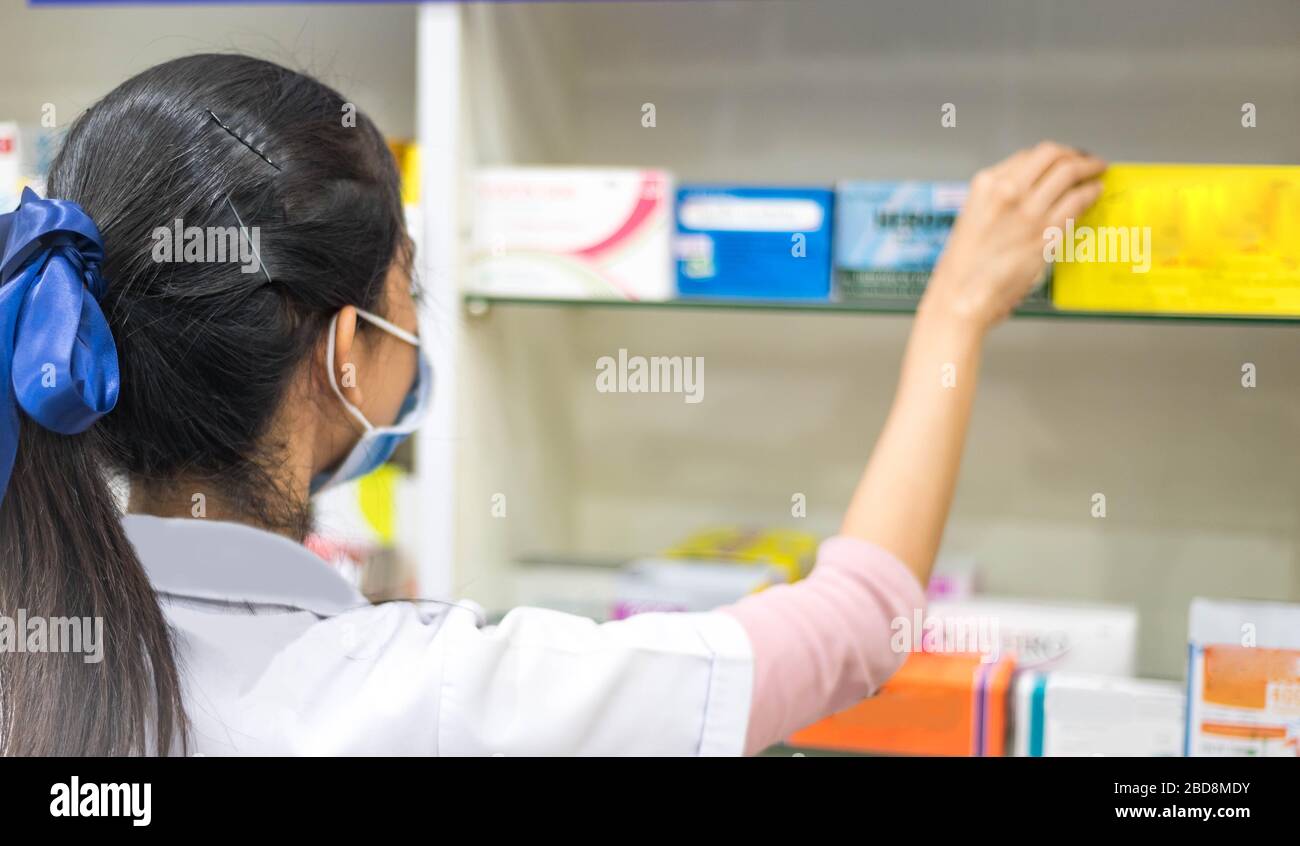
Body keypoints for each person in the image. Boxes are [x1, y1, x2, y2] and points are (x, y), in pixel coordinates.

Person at [0, 54, 1105, 756]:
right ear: (349, 355)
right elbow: (858, 627)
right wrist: (953, 314)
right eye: (409, 285)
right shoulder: (438, 700)